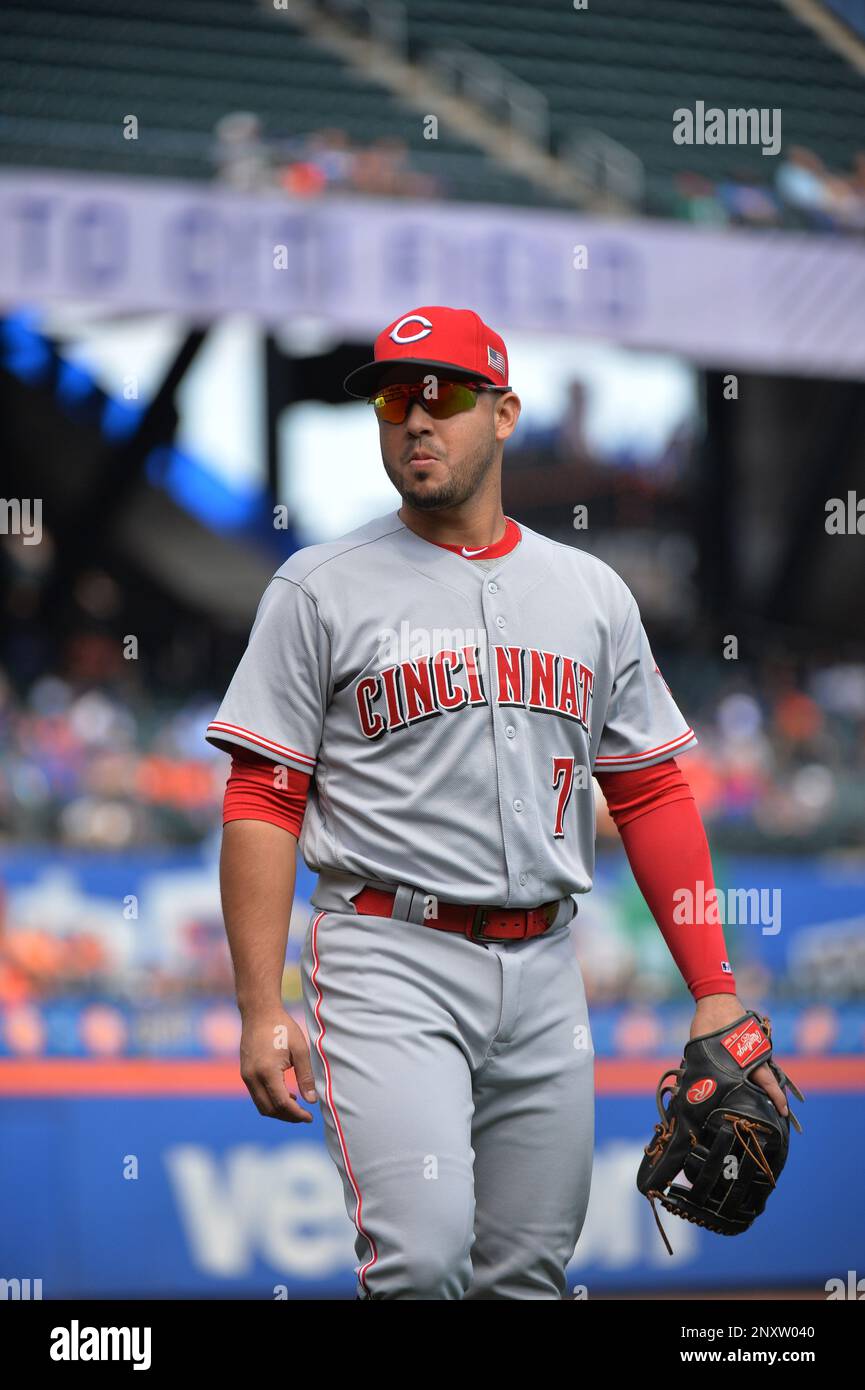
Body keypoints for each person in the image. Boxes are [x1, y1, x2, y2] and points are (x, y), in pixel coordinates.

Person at [206, 305, 791, 1300]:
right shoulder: (318, 587)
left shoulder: (591, 592)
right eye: (395, 398)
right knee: (422, 1259)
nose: (416, 419)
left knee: (526, 1275)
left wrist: (714, 982)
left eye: (446, 395)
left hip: (545, 967)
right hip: (389, 954)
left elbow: (648, 788)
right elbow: (262, 794)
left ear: (506, 411)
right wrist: (262, 1006)